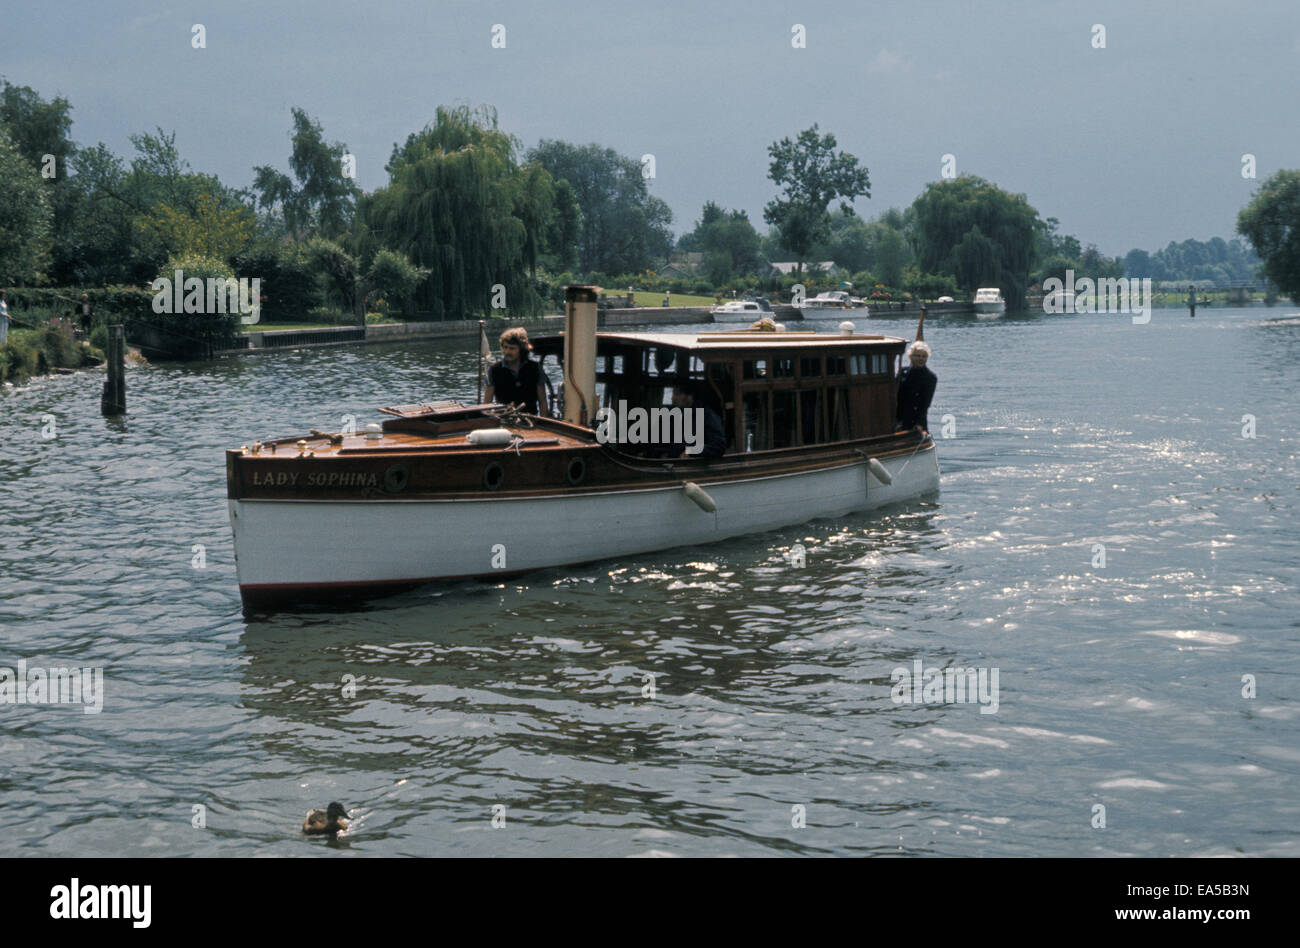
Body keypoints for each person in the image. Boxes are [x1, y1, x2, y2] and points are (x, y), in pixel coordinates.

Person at [485, 327, 549, 416]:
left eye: (512, 348)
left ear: (521, 349)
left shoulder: (535, 368)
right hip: (504, 420)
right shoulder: (493, 370)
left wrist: (543, 423)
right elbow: (487, 404)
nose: (507, 351)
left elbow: (543, 401)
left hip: (530, 420)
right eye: (505, 347)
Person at [670, 381, 726, 457]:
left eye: (677, 394)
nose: (672, 398)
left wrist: (690, 451)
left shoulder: (707, 416)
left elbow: (718, 447)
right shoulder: (680, 417)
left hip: (696, 467)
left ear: (690, 396)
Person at [896, 341, 937, 434]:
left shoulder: (930, 377)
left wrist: (919, 423)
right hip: (898, 417)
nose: (921, 359)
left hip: (915, 420)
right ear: (910, 357)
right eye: (917, 356)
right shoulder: (903, 372)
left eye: (924, 356)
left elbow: (925, 403)